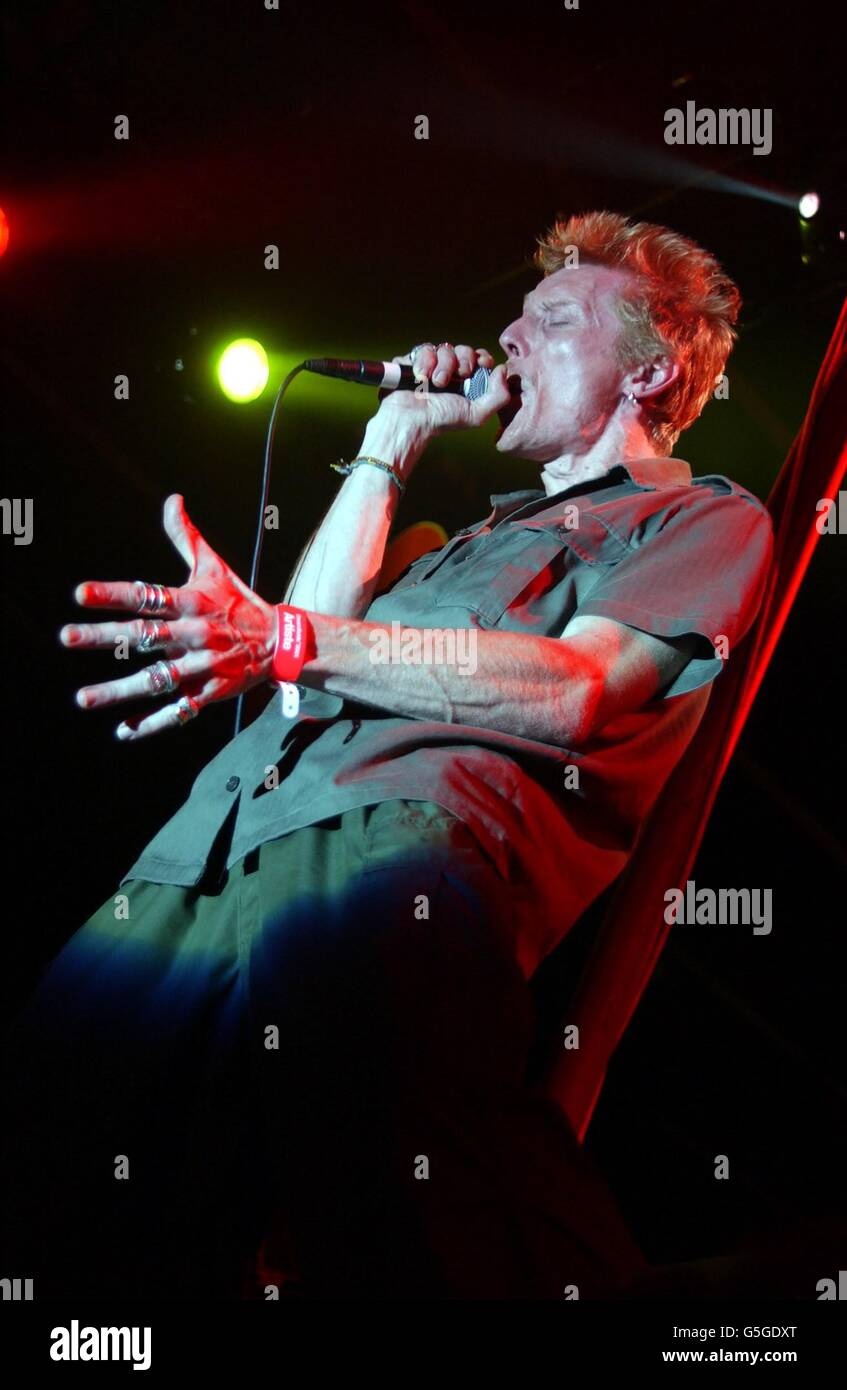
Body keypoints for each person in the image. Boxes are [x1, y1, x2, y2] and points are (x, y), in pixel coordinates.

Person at [0, 211, 773, 1300]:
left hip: (389, 852)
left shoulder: (696, 519)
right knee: (53, 1174)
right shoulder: (437, 545)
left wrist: (287, 635)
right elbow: (298, 658)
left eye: (549, 320)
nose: (508, 338)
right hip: (202, 855)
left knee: (410, 1208)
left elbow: (572, 690)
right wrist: (392, 439)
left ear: (647, 373)